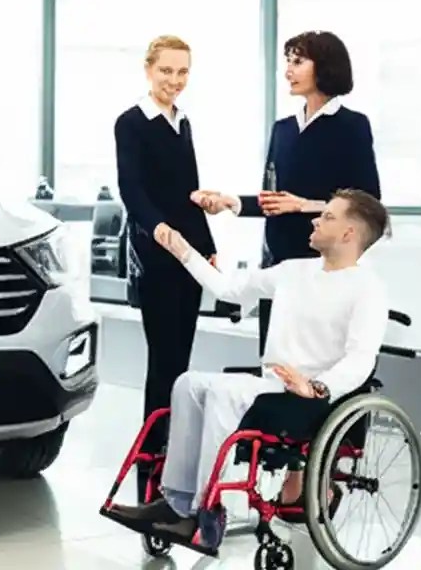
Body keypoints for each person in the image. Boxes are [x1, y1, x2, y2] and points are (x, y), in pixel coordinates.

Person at [107, 188, 390, 546]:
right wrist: (183, 251)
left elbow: (361, 360)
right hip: (271, 385)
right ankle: (176, 503)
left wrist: (317, 386)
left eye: (329, 217)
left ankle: (203, 511)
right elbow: (228, 290)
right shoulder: (293, 271)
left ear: (350, 234)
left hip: (311, 398)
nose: (316, 219)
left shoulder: (367, 288)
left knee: (224, 394)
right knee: (188, 384)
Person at [192, 31, 381, 356]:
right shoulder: (283, 129)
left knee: (310, 364)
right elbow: (274, 199)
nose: (288, 70)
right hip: (277, 266)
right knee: (273, 362)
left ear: (323, 67)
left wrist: (305, 206)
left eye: (298, 61)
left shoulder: (351, 126)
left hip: (322, 266)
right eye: (287, 62)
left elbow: (369, 200)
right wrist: (230, 203)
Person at [113, 34, 217, 500]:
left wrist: (208, 245)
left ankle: (174, 463)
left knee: (181, 365)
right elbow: (132, 190)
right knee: (163, 366)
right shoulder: (131, 123)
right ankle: (149, 477)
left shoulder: (184, 123)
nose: (175, 81)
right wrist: (159, 230)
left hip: (189, 259)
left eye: (183, 72)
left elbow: (190, 195)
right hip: (158, 257)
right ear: (148, 69)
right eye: (166, 71)